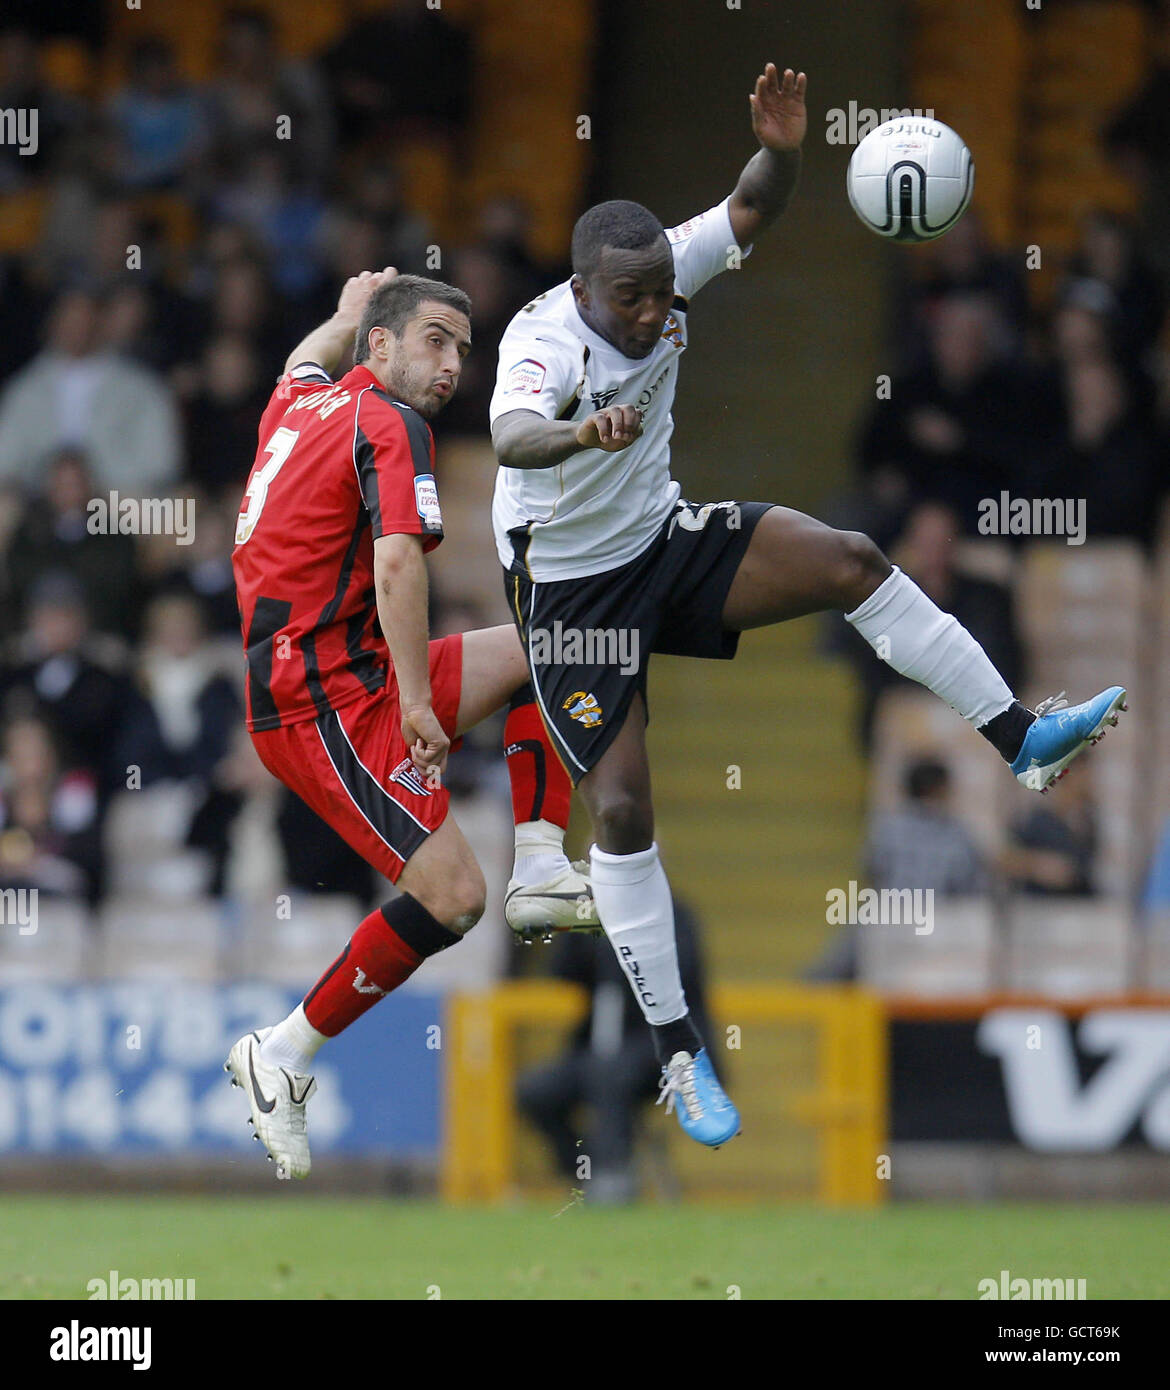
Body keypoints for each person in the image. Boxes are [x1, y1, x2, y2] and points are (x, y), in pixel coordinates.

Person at [488, 63, 1126, 1149]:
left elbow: (745, 211)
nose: (650, 312)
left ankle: (1021, 738)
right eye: (627, 300)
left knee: (848, 556)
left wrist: (781, 151)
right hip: (569, 589)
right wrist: (578, 433)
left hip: (661, 540)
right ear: (584, 288)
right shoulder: (542, 342)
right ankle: (679, 1056)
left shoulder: (663, 272)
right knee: (630, 812)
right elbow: (508, 435)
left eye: (658, 293)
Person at [225, 268, 595, 1179]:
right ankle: (280, 1051)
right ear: (381, 349)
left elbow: (300, 358)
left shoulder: (301, 405)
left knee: (557, 644)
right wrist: (421, 706)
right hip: (322, 701)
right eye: (435, 340)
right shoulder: (391, 424)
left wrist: (343, 314)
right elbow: (397, 567)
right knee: (456, 898)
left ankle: (542, 860)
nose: (452, 366)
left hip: (354, 672)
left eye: (463, 350)